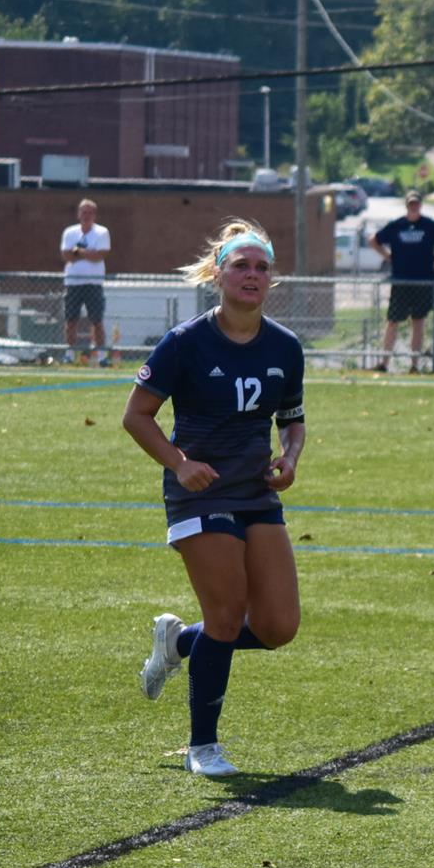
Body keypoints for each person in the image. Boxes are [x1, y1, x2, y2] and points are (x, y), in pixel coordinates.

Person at [122, 221, 305, 780]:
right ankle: (203, 747)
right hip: (198, 495)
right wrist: (180, 463)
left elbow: (292, 422)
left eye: (262, 267)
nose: (252, 275)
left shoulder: (285, 346)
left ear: (272, 279)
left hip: (254, 494)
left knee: (277, 626)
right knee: (225, 617)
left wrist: (289, 459)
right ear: (219, 274)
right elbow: (136, 416)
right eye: (241, 265)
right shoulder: (185, 342)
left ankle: (179, 642)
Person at [372, 191, 434, 373]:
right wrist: (387, 256)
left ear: (420, 205)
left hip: (424, 280)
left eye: (416, 204)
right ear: (406, 205)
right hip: (401, 280)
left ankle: (414, 365)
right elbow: (374, 240)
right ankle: (384, 363)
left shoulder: (429, 225)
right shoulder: (397, 225)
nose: (413, 207)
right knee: (393, 321)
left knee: (418, 321)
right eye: (410, 204)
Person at [59, 197, 113, 365]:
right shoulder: (70, 232)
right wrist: (87, 252)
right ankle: (69, 355)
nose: (86, 215)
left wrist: (78, 252)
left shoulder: (102, 232)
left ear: (94, 214)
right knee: (71, 320)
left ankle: (102, 357)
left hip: (93, 283)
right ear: (78, 213)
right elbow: (66, 255)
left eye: (90, 212)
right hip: (73, 283)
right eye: (84, 212)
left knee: (96, 320)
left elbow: (100, 256)